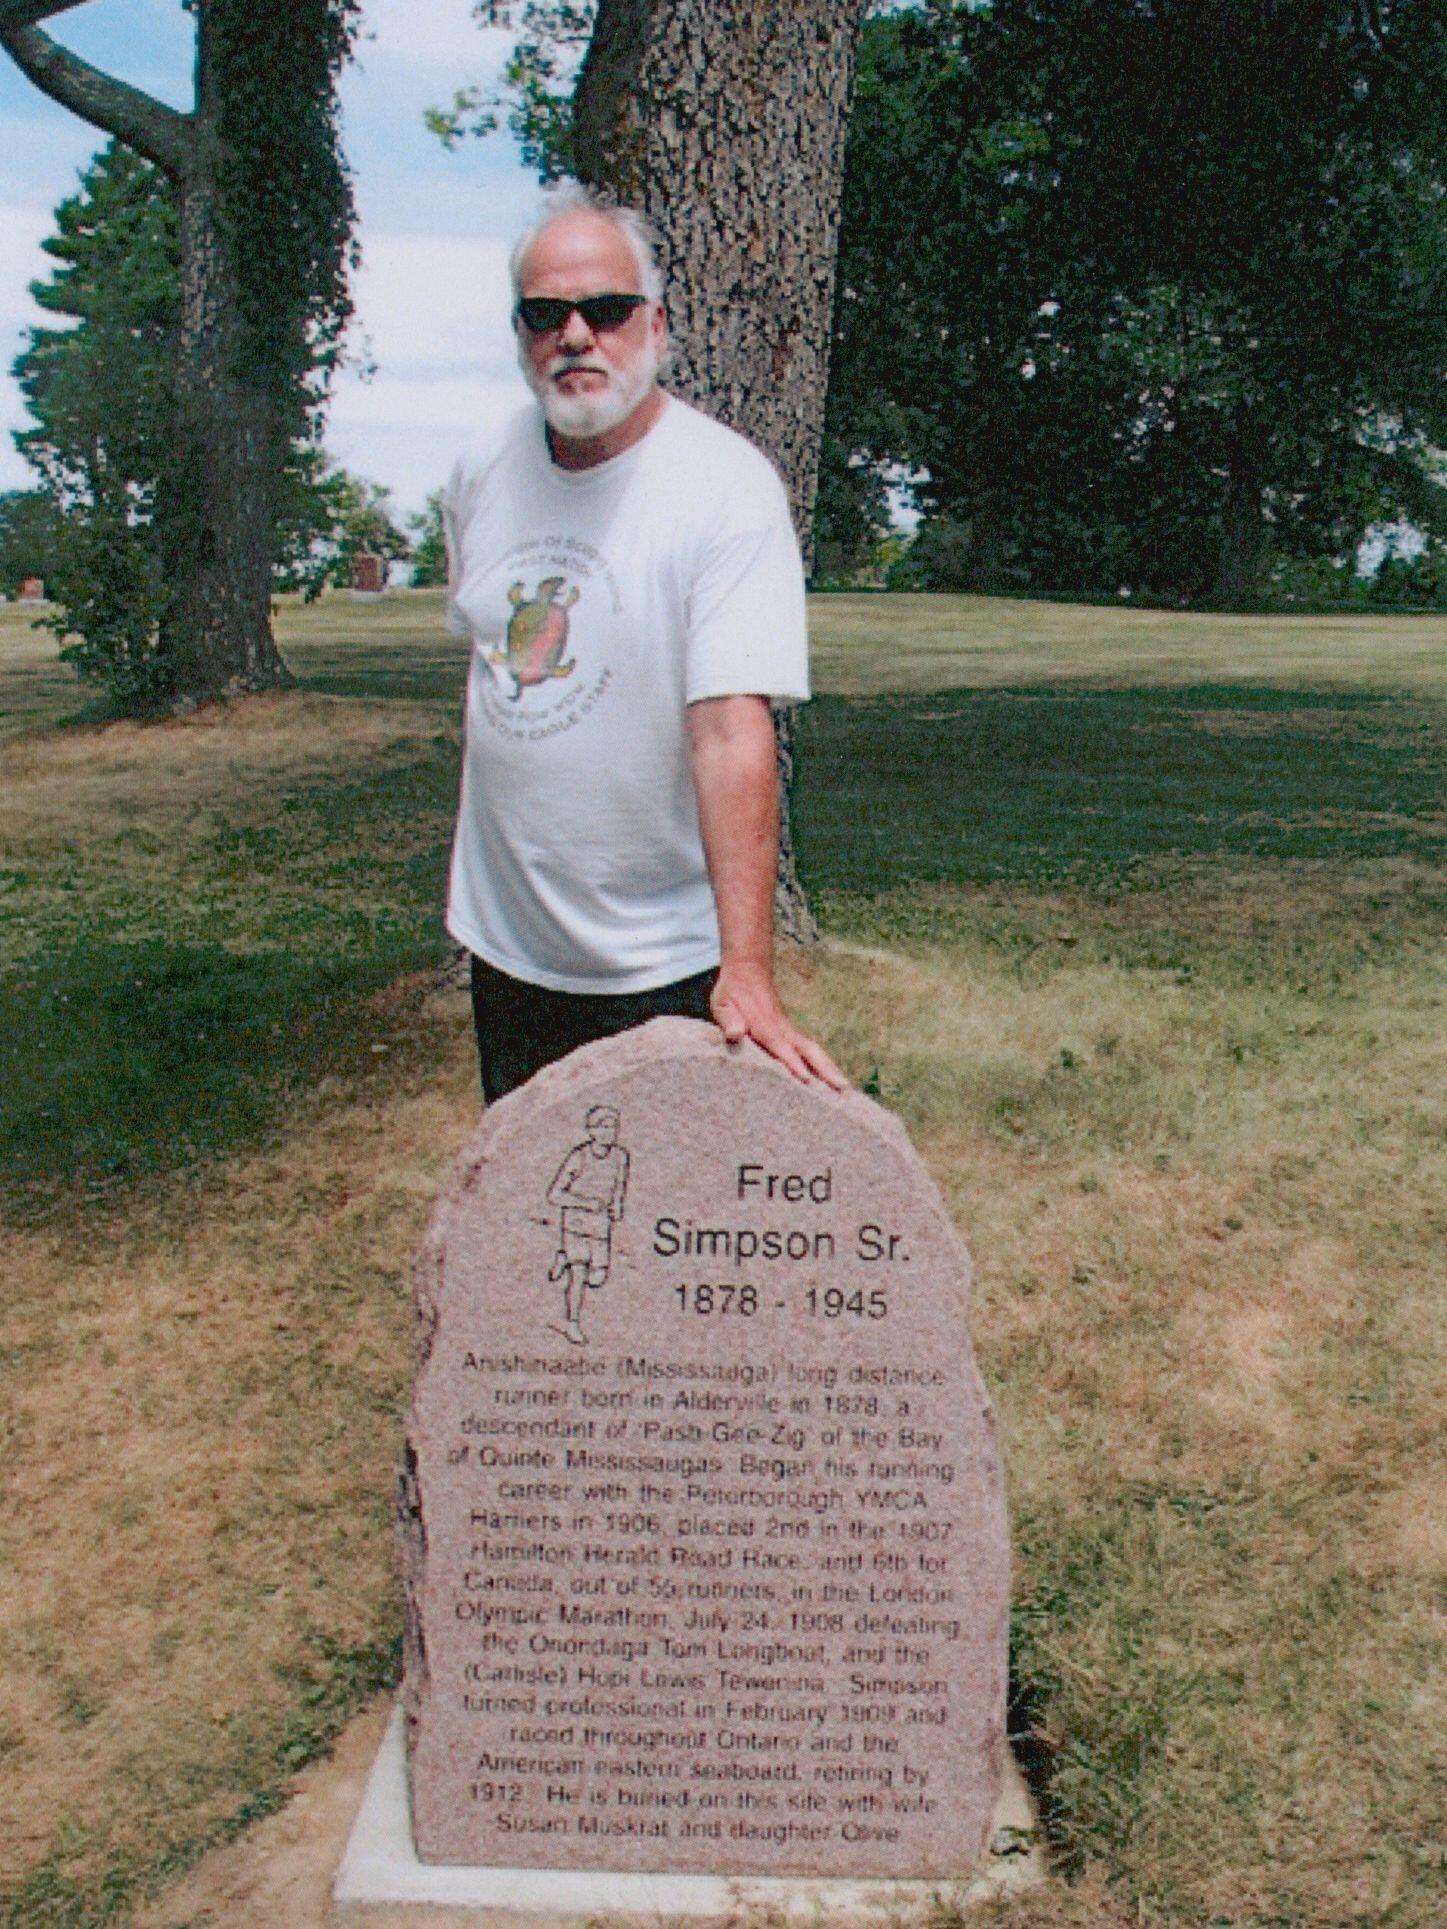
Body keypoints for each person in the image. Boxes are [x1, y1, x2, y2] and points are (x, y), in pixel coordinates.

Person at [441, 185, 846, 1104]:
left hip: (659, 962)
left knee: (665, 1224)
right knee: (531, 1220)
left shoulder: (724, 487)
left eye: (606, 310)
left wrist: (745, 969)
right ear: (519, 334)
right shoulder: (480, 467)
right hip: (508, 946)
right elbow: (489, 663)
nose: (575, 334)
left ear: (656, 324)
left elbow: (730, 733)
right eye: (545, 314)